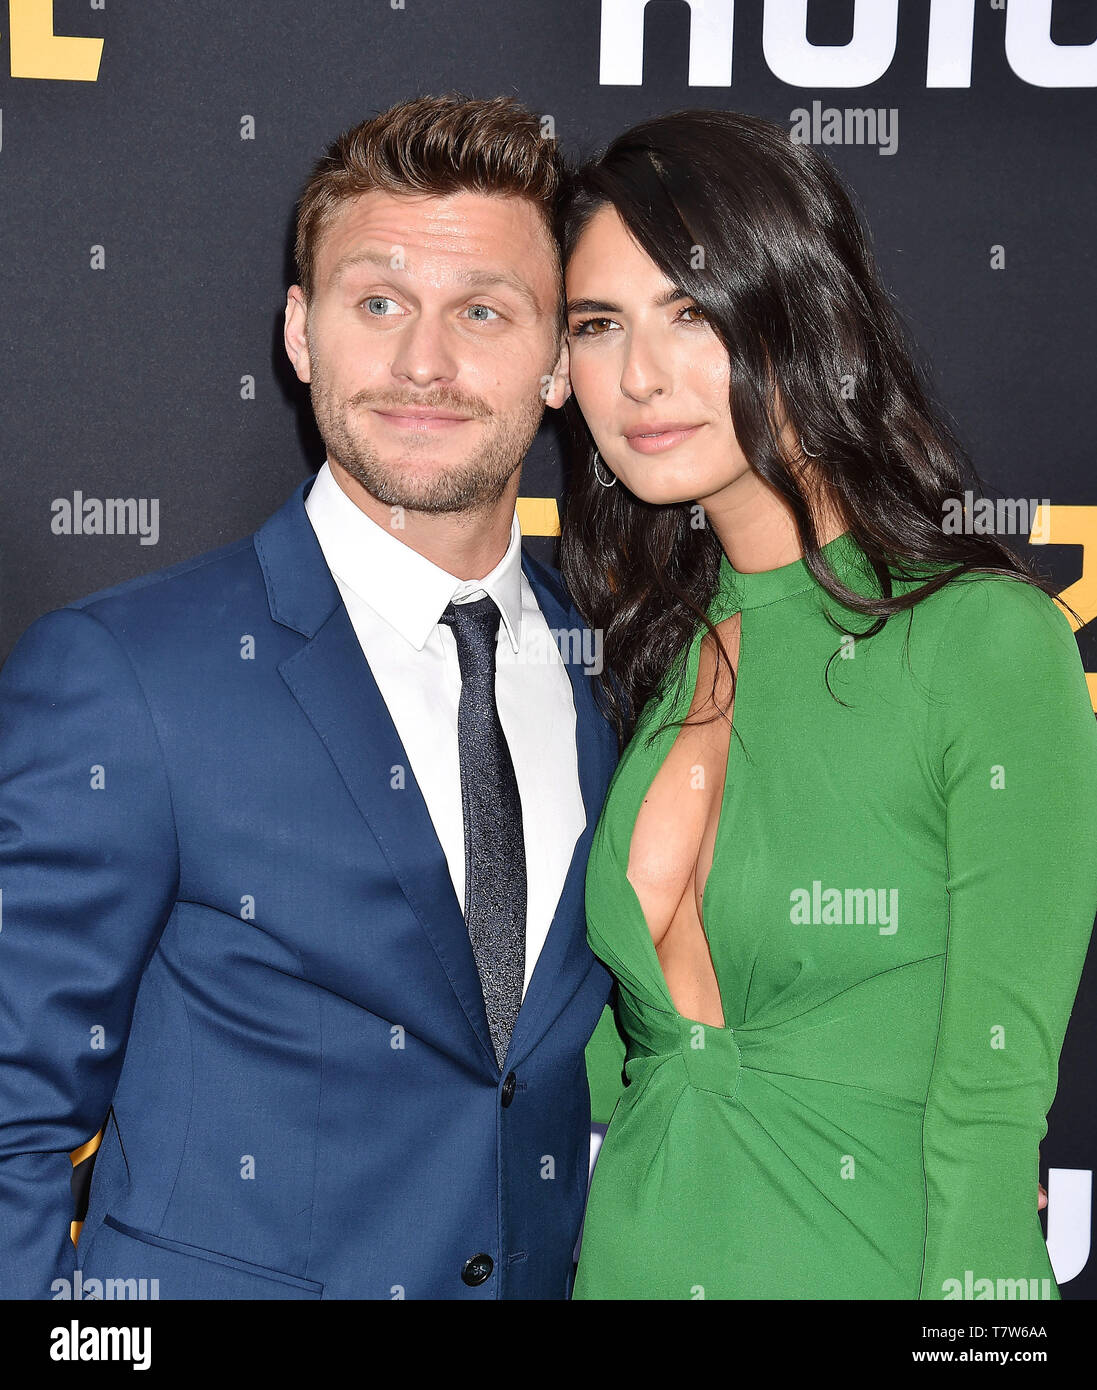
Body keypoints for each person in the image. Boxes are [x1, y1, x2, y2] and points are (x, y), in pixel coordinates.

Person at [0, 94, 617, 1301]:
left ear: (556, 362)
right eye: (376, 302)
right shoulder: (127, 675)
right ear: (299, 331)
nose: (422, 363)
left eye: (481, 311)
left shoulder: (617, 665)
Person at [558, 109, 1097, 1299]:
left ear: (800, 311)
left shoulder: (983, 645)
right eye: (598, 325)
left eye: (689, 312)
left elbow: (991, 1112)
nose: (638, 375)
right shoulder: (662, 656)